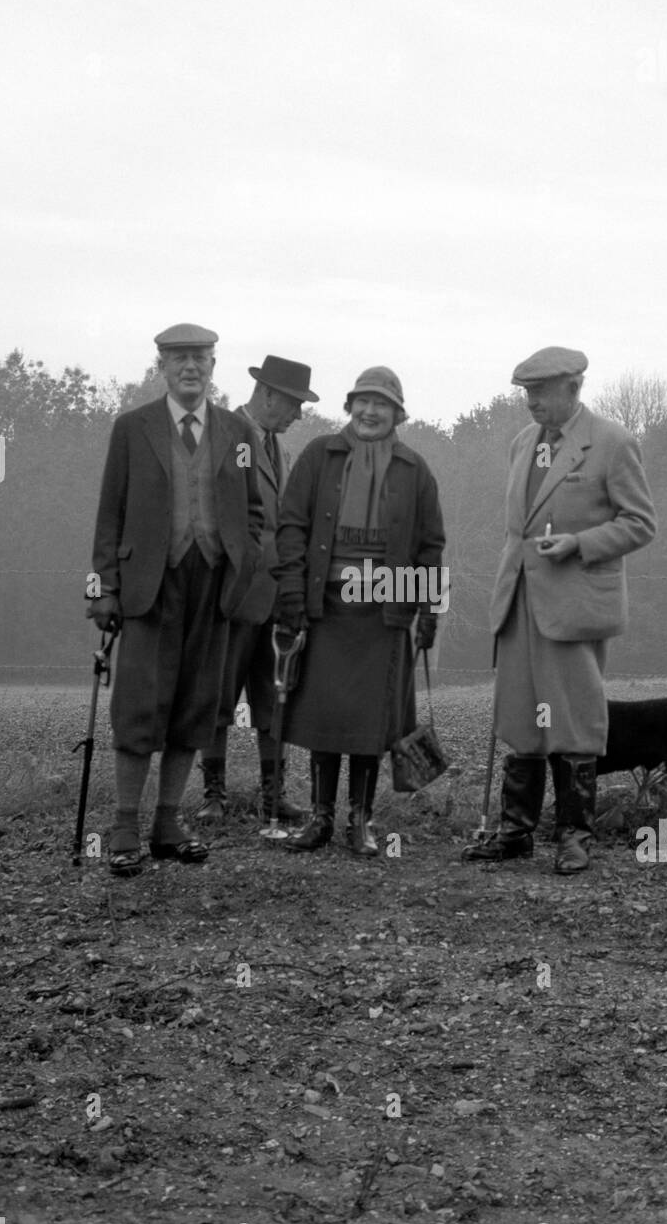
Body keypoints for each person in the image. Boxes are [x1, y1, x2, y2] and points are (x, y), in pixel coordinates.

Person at [461, 346, 656, 874]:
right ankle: (514, 833)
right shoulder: (522, 444)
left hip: (574, 603)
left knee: (572, 720)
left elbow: (641, 523)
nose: (531, 403)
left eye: (541, 392)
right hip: (519, 600)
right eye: (526, 392)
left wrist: (579, 543)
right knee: (521, 716)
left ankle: (574, 839)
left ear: (574, 388)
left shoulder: (612, 442)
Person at [88, 322, 263, 876]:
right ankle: (123, 826)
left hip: (212, 584)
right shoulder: (132, 429)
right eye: (179, 358)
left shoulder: (238, 432)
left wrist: (243, 561)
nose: (191, 367)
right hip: (149, 586)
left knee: (195, 706)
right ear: (161, 366)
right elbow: (109, 514)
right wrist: (105, 587)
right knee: (140, 703)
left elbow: (253, 510)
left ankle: (167, 822)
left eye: (201, 358)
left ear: (214, 365)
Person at [274, 366, 445, 855]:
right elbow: (291, 527)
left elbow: (431, 546)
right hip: (326, 609)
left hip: (384, 615)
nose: (371, 412)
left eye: (383, 404)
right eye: (364, 402)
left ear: (397, 413)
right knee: (327, 715)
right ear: (350, 406)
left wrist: (428, 610)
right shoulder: (317, 456)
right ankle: (321, 818)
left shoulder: (415, 470)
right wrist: (290, 594)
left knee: (372, 722)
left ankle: (361, 821)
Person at [195, 355, 318, 827]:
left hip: (276, 597)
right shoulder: (225, 436)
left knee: (273, 700)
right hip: (232, 594)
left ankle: (273, 797)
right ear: (267, 394)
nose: (298, 415)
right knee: (219, 697)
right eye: (293, 403)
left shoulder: (278, 450)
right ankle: (214, 796)